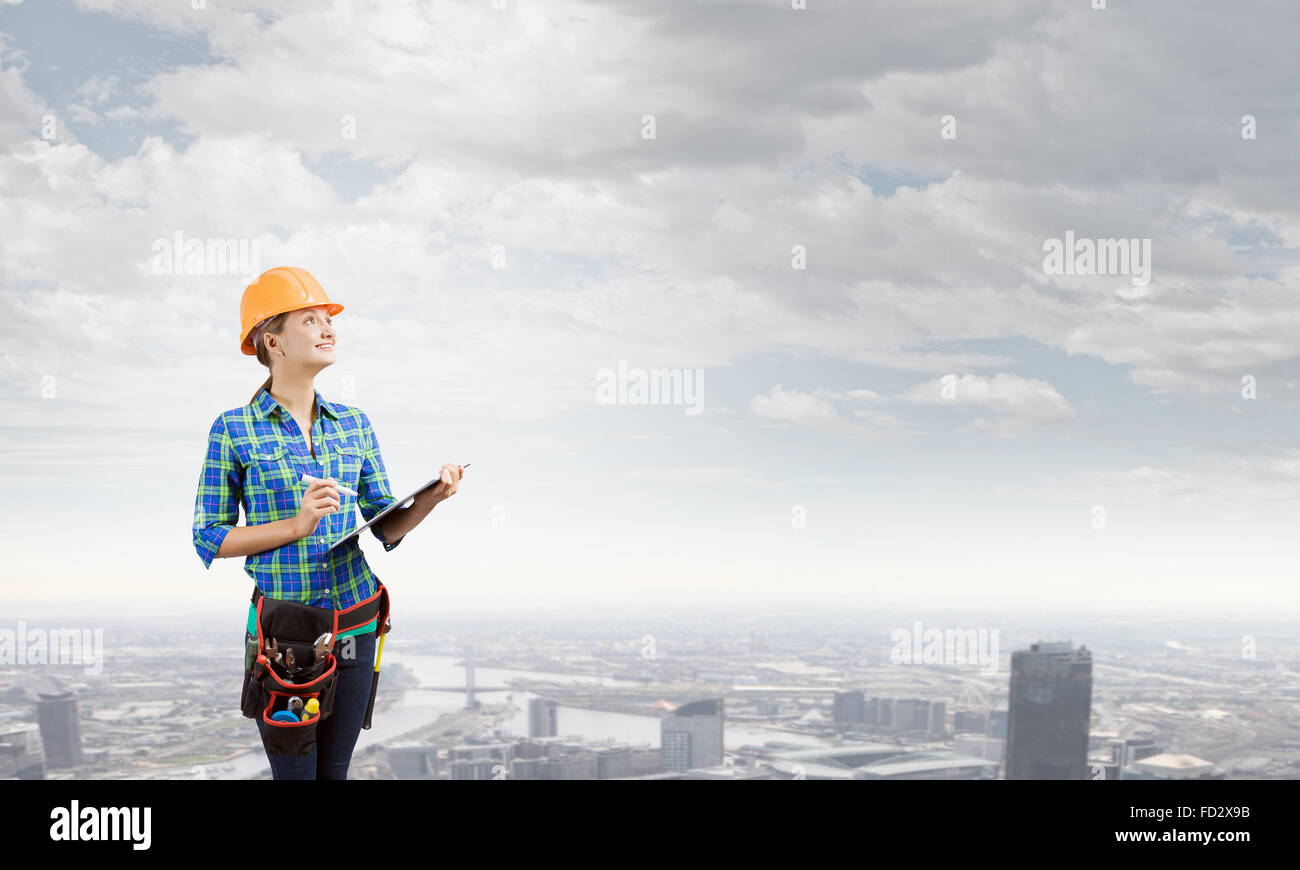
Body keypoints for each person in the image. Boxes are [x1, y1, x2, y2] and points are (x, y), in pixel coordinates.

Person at [191, 265, 463, 779]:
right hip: (286, 635)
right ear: (272, 340)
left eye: (329, 320)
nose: (328, 329)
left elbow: (385, 526)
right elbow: (209, 538)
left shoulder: (355, 423)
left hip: (357, 619)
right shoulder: (234, 429)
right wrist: (295, 526)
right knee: (296, 775)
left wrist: (432, 499)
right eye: (310, 320)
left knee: (334, 772)